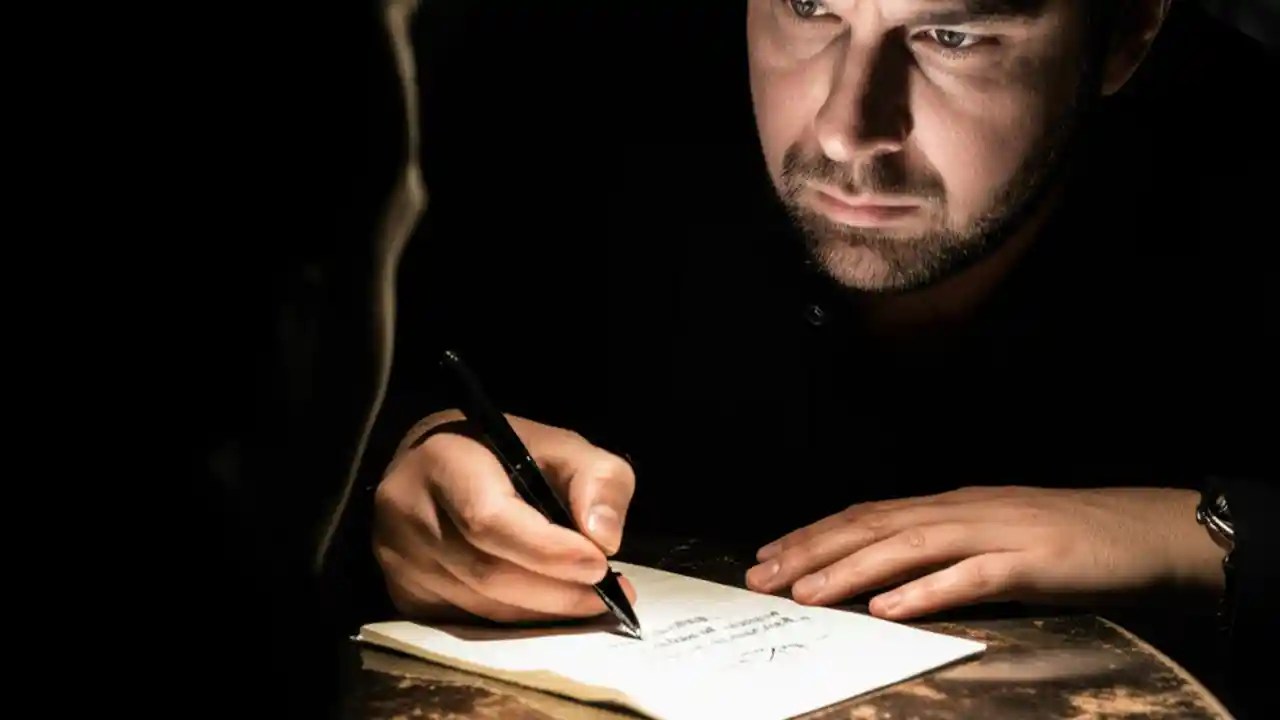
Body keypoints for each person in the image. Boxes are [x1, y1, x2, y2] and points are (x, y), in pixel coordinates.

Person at [359, 0, 1276, 714]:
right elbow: (418, 386)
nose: (847, 125)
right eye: (808, 8)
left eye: (952, 35)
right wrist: (432, 459)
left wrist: (1207, 536)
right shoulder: (582, 102)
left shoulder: (1245, 174)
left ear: (1125, 34)